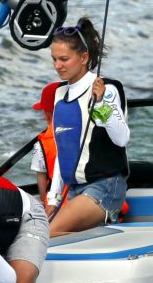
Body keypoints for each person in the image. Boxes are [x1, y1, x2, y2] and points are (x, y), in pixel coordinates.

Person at [43, 18, 130, 236]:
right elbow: (63, 151)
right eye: (54, 59)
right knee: (33, 233)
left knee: (48, 234)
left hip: (105, 186)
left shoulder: (107, 89)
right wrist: (53, 199)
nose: (57, 66)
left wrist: (100, 104)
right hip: (74, 191)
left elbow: (122, 139)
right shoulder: (59, 94)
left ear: (83, 57)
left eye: (64, 59)